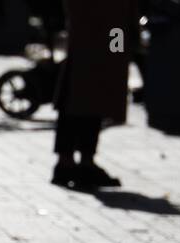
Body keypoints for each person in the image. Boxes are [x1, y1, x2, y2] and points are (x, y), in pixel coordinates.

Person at [51, 0, 140, 191]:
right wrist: (118, 50)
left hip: (91, 38)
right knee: (90, 98)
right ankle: (80, 162)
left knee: (82, 100)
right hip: (104, 35)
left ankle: (74, 161)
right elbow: (117, 18)